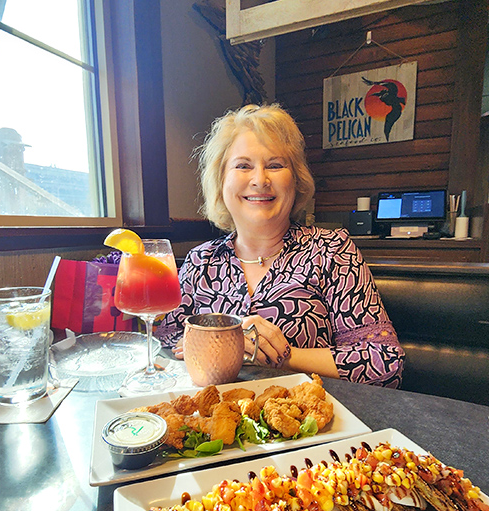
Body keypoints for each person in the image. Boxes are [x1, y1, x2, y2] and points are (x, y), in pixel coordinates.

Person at [156, 104, 404, 385]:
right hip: (213, 420)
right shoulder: (200, 261)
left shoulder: (331, 250)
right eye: (243, 166)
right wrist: (226, 342)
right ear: (220, 180)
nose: (260, 180)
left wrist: (283, 355)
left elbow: (384, 362)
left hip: (307, 421)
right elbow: (166, 344)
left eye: (275, 165)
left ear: (295, 180)